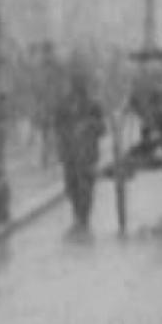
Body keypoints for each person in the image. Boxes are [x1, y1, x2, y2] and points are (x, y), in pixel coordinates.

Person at [57, 60, 105, 233]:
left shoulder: (93, 105)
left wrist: (88, 126)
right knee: (71, 186)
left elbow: (102, 128)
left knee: (86, 185)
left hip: (87, 153)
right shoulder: (63, 104)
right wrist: (63, 145)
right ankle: (78, 213)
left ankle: (83, 216)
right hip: (70, 153)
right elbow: (59, 127)